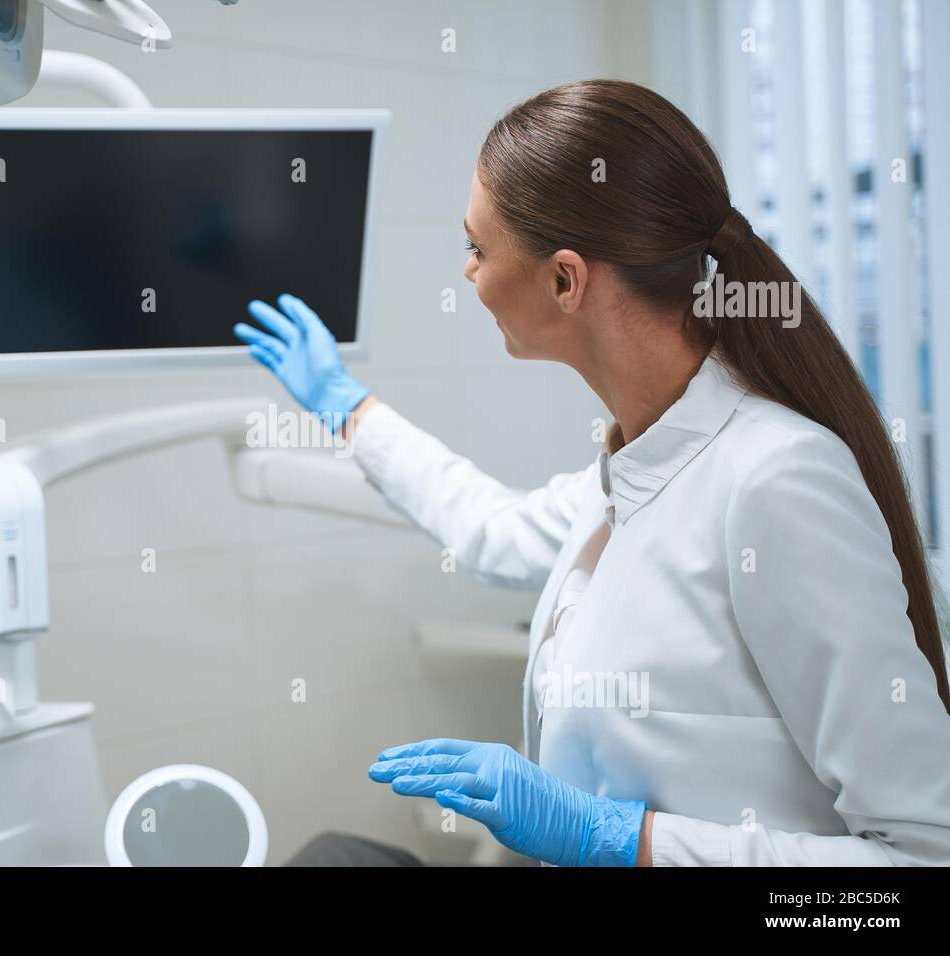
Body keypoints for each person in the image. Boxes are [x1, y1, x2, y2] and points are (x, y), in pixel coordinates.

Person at [234, 79, 950, 867]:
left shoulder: (775, 480)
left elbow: (918, 857)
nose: (468, 275)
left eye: (477, 248)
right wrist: (347, 406)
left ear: (565, 280)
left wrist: (619, 839)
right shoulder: (638, 465)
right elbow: (490, 530)